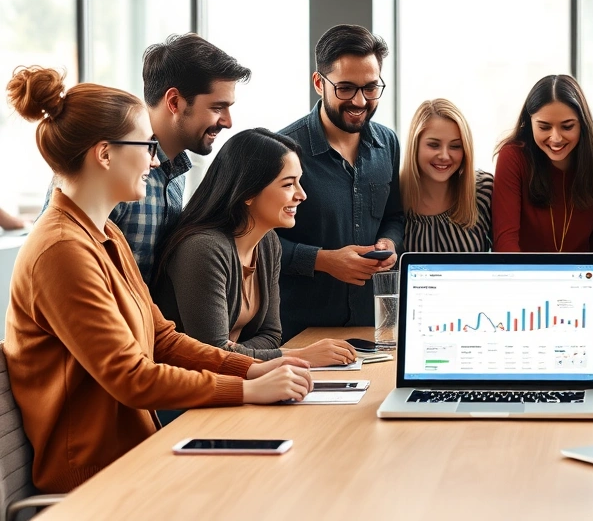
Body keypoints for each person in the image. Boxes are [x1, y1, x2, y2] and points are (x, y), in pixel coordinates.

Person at [4, 66, 311, 493]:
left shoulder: (105, 233)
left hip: (137, 450)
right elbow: (132, 377)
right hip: (95, 478)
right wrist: (244, 390)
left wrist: (254, 369)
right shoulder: (61, 251)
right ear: (105, 154)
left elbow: (162, 339)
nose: (153, 158)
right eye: (145, 145)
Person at [41, 33, 250, 284]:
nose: (228, 121)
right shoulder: (108, 168)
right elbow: (58, 268)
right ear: (174, 102)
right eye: (218, 108)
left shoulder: (176, 171)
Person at [153, 128, 358, 366]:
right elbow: (211, 356)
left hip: (237, 381)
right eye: (288, 184)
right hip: (190, 394)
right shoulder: (202, 249)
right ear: (248, 192)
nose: (301, 195)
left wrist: (234, 351)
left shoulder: (268, 243)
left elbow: (271, 336)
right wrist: (298, 356)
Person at [277, 24, 403, 342]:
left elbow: (394, 217)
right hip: (302, 334)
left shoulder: (387, 143)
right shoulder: (281, 150)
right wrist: (323, 261)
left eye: (370, 88)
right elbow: (255, 242)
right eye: (345, 88)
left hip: (372, 330)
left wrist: (389, 244)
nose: (360, 101)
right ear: (319, 83)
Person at [492, 75, 593, 260]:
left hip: (580, 280)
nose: (556, 138)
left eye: (567, 126)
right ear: (529, 123)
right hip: (524, 280)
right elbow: (505, 240)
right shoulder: (513, 157)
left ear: (582, 125)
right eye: (544, 127)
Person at [400, 99, 492, 252]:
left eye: (455, 146)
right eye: (434, 145)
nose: (444, 156)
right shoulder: (392, 197)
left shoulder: (484, 191)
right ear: (415, 145)